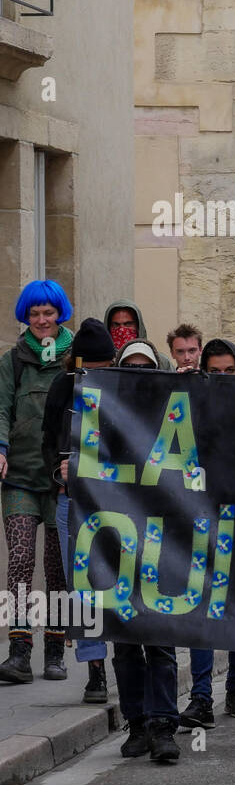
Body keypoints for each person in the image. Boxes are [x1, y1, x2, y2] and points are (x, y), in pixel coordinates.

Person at [106, 339, 182, 761]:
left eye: (146, 367)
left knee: (161, 639)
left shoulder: (174, 412)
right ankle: (137, 725)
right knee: (125, 643)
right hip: (114, 544)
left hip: (162, 544)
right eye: (130, 367)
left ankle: (163, 727)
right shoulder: (104, 416)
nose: (138, 374)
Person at [0, 280, 76, 685]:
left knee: (58, 565)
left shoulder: (74, 357)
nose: (42, 320)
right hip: (20, 477)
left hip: (61, 480)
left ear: (59, 313)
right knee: (20, 560)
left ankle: (55, 650)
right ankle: (18, 651)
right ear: (25, 318)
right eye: (34, 314)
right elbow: (0, 408)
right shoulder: (13, 361)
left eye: (48, 312)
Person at [179, 338, 235, 730]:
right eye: (215, 372)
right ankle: (201, 697)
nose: (223, 379)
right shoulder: (191, 406)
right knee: (202, 610)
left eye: (231, 371)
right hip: (201, 519)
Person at [41, 318, 115, 702]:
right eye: (90, 370)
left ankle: (127, 664)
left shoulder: (124, 388)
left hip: (118, 503)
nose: (95, 377)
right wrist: (59, 470)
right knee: (81, 591)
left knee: (120, 588)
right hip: (73, 502)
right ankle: (95, 672)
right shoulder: (62, 388)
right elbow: (48, 440)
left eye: (103, 370)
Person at [104, 299, 172, 370]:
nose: (122, 329)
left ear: (138, 326)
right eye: (116, 325)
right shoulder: (102, 362)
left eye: (128, 324)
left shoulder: (161, 362)